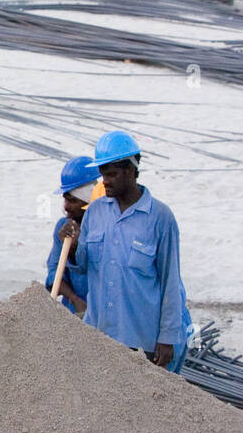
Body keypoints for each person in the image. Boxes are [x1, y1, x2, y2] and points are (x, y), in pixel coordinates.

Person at [62, 131, 194, 373]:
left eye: (111, 174)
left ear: (131, 171)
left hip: (141, 343)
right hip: (99, 335)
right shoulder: (95, 212)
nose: (105, 182)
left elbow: (170, 282)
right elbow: (83, 266)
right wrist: (72, 247)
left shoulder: (160, 218)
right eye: (102, 175)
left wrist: (167, 337)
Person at [45, 155, 98, 316]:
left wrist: (76, 249)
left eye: (73, 201)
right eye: (65, 200)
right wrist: (74, 299)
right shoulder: (63, 227)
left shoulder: (104, 229)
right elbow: (54, 271)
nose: (66, 207)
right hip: (73, 310)